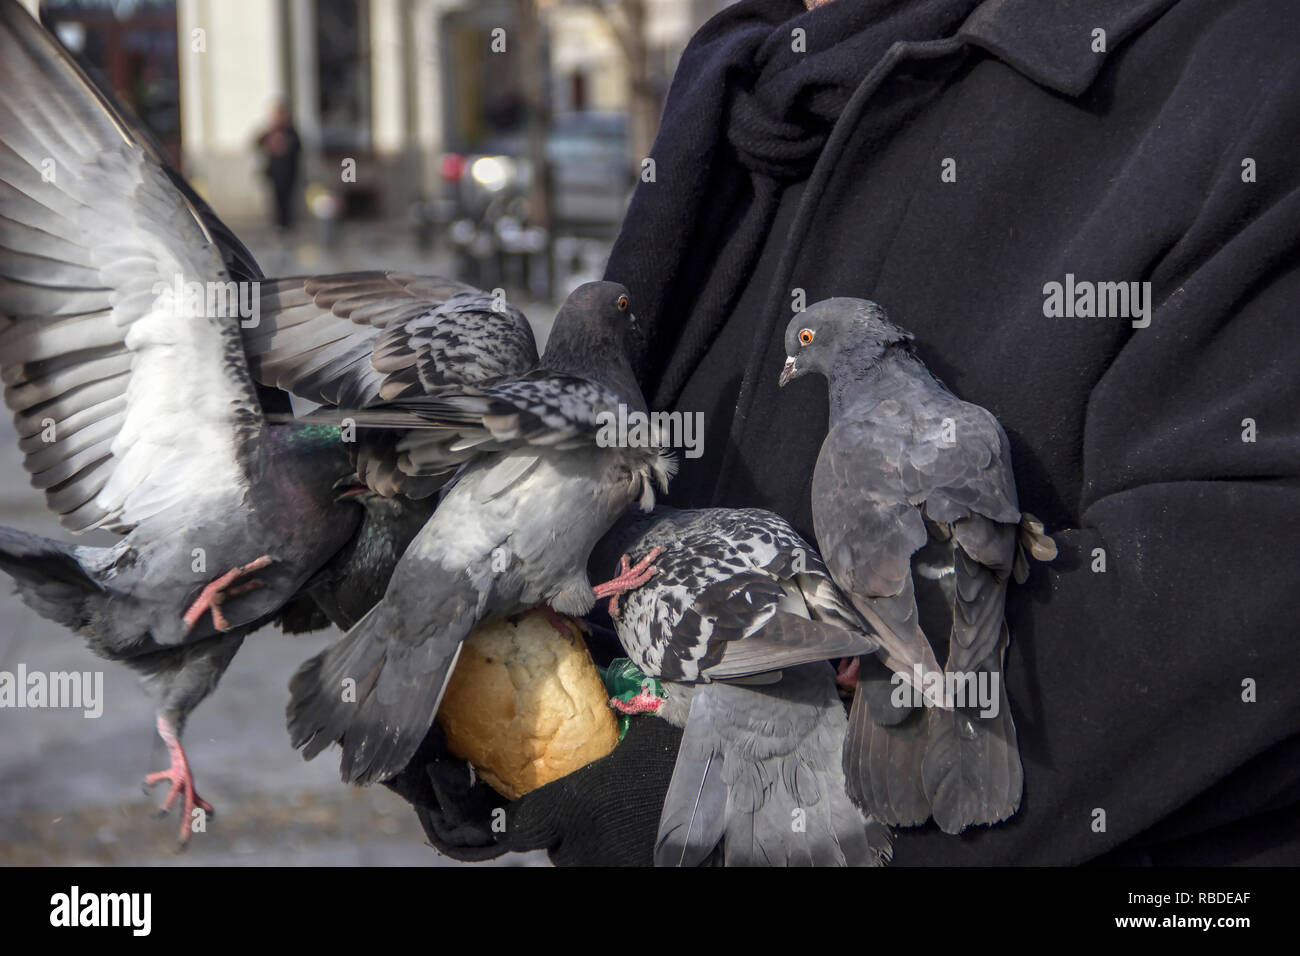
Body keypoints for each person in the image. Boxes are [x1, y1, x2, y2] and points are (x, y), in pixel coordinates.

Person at [399, 0, 1300, 865]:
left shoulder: (1247, 72)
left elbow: (1243, 585)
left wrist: (768, 812)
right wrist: (461, 635)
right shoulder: (742, 82)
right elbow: (638, 503)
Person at [256, 99, 301, 232]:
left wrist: (285, 144)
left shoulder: (291, 131)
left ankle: (287, 223)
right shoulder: (270, 131)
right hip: (274, 171)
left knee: (287, 198)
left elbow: (297, 147)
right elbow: (257, 142)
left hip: (288, 171)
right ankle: (277, 222)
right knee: (275, 198)